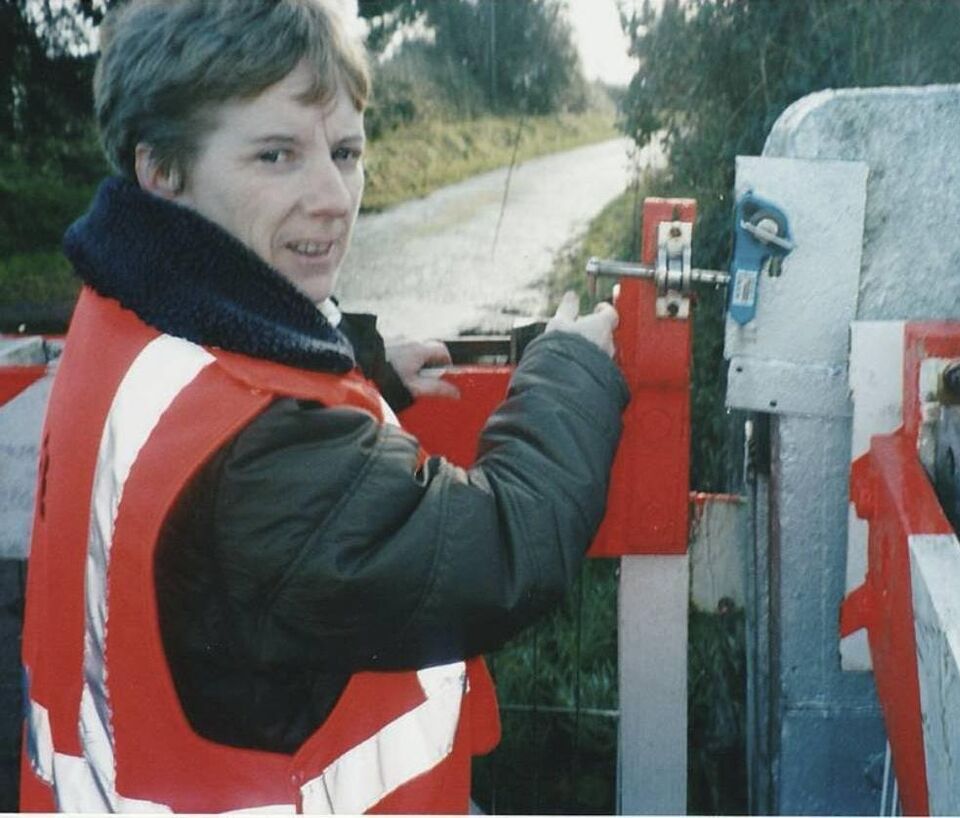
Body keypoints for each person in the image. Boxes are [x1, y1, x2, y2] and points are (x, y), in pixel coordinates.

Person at [19, 0, 627, 813]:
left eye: (345, 151)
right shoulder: (259, 455)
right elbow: (505, 547)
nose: (334, 197)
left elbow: (242, 374)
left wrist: (362, 370)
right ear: (160, 168)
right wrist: (573, 365)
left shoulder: (123, 305)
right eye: (276, 155)